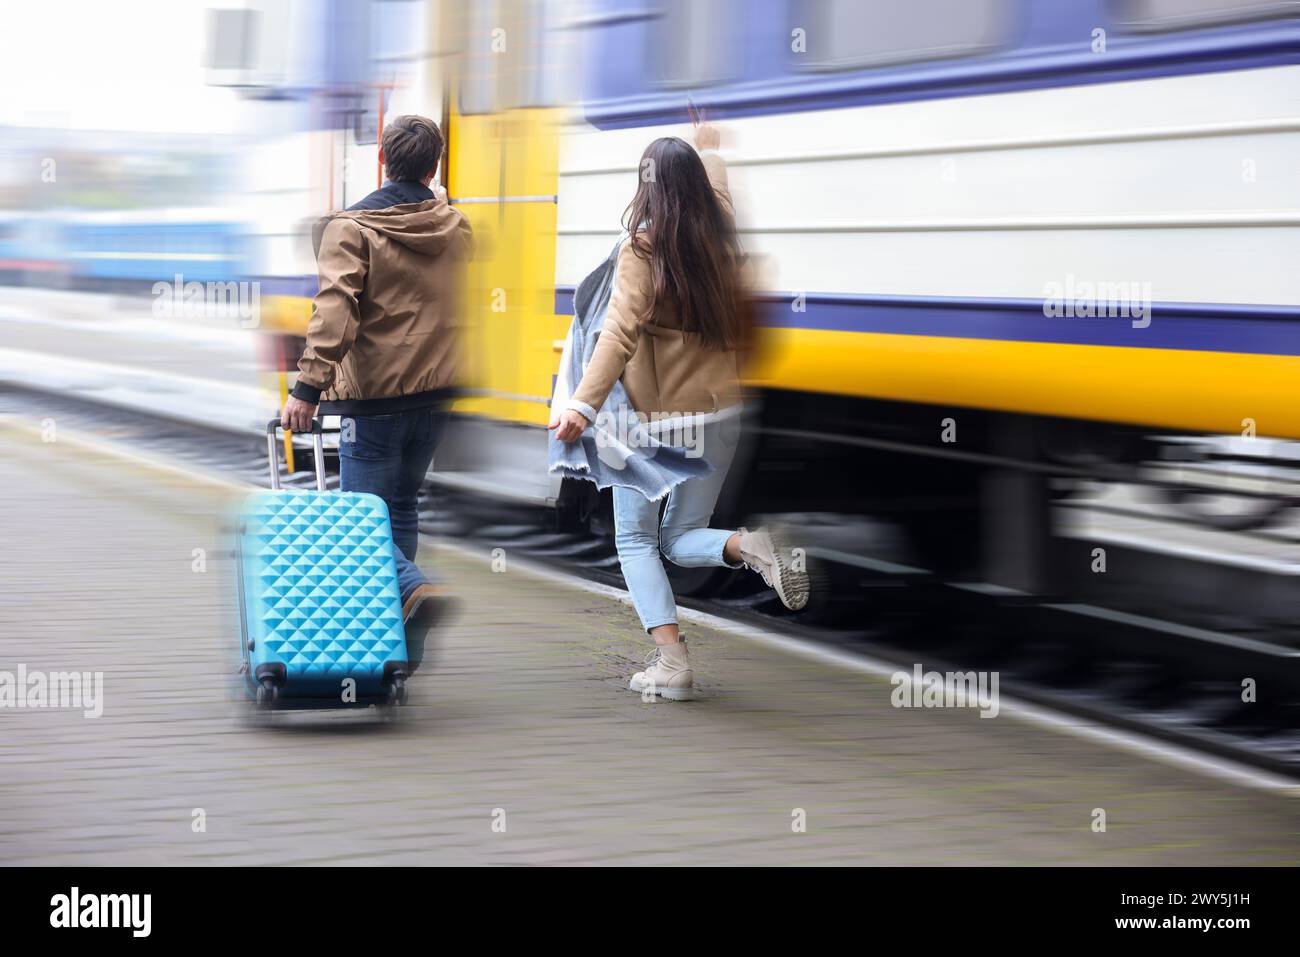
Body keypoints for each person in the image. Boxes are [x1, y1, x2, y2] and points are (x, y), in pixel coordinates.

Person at [550, 120, 808, 701]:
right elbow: (717, 193)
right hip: (723, 413)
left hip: (653, 422)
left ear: (646, 187)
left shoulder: (642, 249)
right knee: (683, 534)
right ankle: (751, 547)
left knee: (637, 541)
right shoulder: (721, 235)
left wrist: (581, 409)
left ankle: (673, 664)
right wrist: (710, 154)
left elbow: (616, 334)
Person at [281, 114, 472, 672]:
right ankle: (400, 643)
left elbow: (335, 311)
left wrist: (307, 387)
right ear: (434, 166)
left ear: (383, 160)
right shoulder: (456, 226)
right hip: (436, 394)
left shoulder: (352, 228)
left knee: (359, 519)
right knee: (400, 508)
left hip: (375, 401)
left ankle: (414, 590)